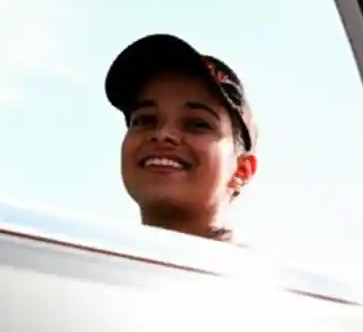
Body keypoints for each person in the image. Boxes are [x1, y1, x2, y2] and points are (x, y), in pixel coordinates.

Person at [104, 34, 258, 242]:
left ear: (242, 171)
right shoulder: (81, 265)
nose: (162, 134)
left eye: (197, 124)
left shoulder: (247, 273)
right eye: (145, 119)